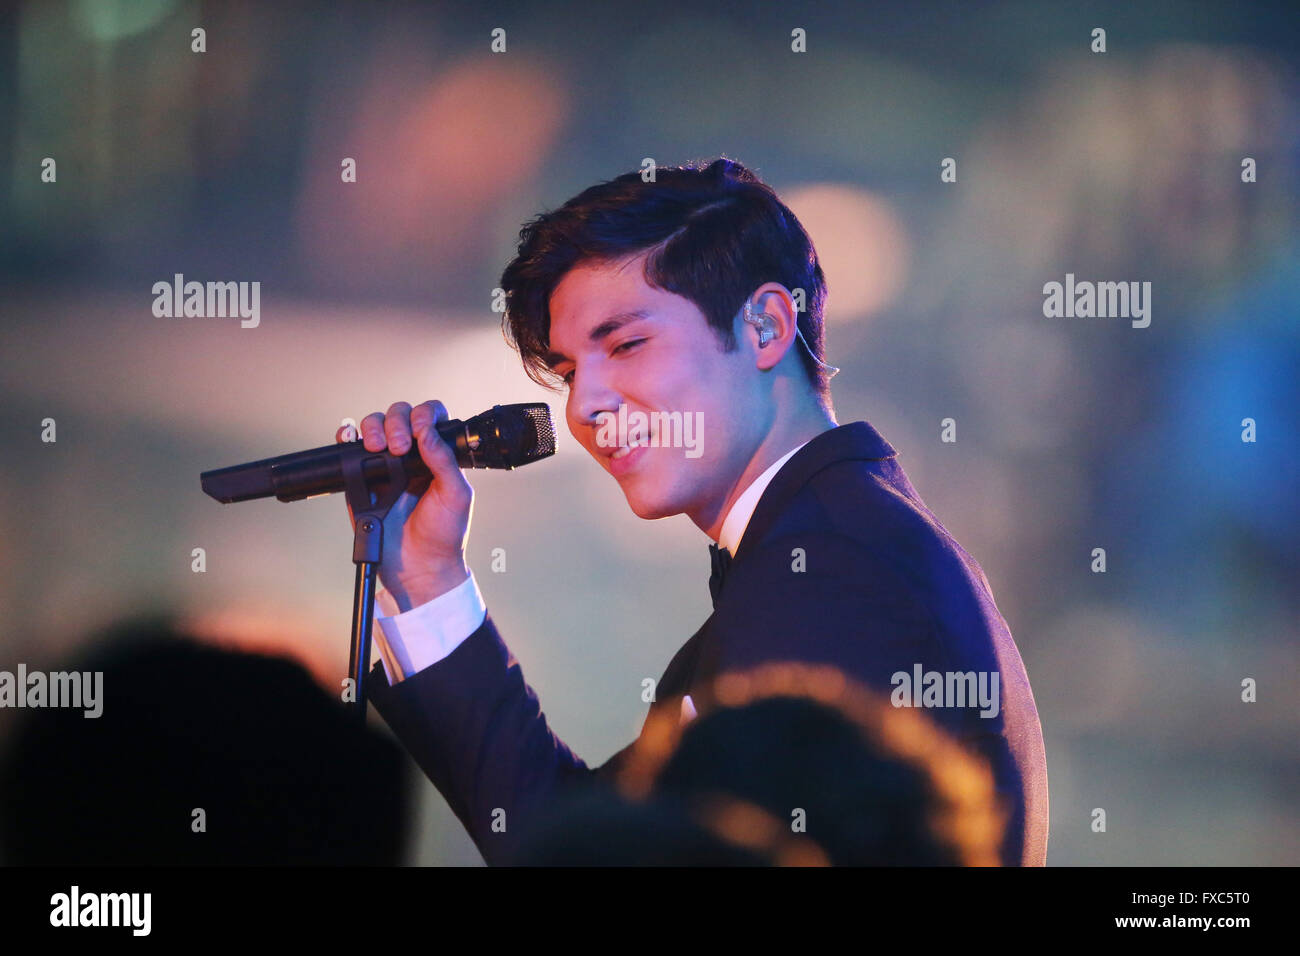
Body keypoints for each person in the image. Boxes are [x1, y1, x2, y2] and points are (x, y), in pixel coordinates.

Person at [336, 157, 1048, 866]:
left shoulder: (835, 572)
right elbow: (579, 841)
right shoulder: (836, 543)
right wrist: (427, 576)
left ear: (767, 327)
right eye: (571, 373)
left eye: (626, 345)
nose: (585, 407)